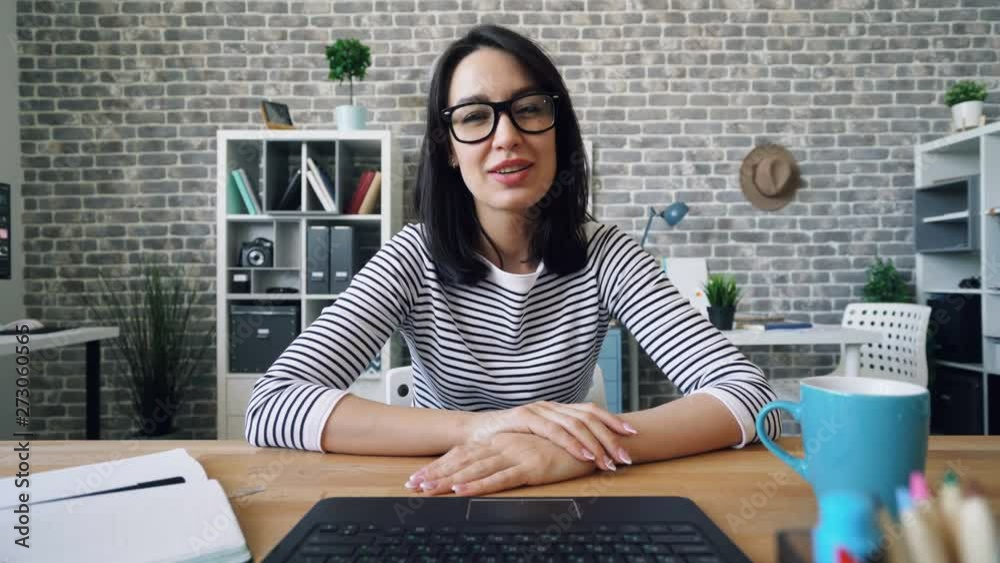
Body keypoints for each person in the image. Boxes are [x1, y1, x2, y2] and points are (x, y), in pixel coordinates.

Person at [245, 24, 781, 496]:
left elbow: (751, 397)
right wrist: (480, 427)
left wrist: (575, 451)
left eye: (528, 110)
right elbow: (272, 405)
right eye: (476, 116)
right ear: (449, 148)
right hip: (440, 490)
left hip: (570, 497)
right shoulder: (413, 255)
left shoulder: (609, 254)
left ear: (558, 130)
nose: (507, 138)